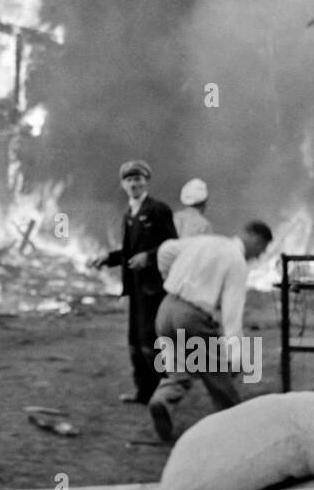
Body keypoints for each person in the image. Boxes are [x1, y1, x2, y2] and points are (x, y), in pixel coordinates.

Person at [146, 221, 274, 441]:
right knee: (218, 375)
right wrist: (236, 358)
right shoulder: (236, 262)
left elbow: (166, 250)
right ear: (255, 239)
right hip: (191, 317)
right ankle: (237, 432)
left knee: (178, 368)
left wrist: (169, 277)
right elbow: (232, 317)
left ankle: (162, 400)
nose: (258, 256)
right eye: (261, 250)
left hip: (165, 308)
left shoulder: (206, 240)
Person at [90, 159, 177, 404]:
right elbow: (129, 253)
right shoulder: (129, 214)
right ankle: (144, 392)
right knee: (135, 342)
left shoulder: (158, 210)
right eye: (129, 180)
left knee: (152, 341)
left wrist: (148, 257)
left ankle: (164, 392)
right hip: (136, 289)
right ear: (123, 185)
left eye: (137, 179)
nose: (133, 184)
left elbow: (172, 246)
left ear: (145, 181)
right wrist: (108, 258)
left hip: (153, 289)